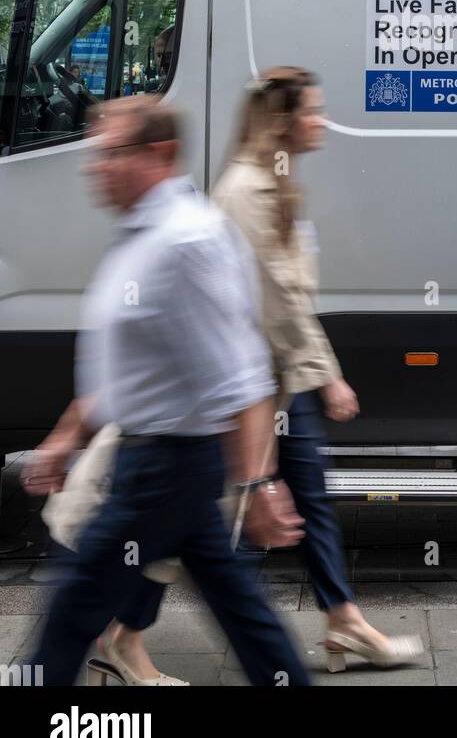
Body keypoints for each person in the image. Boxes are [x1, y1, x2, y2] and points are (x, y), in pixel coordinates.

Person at [112, 69, 424, 674]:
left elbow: (291, 297)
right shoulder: (247, 190)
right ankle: (121, 634)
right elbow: (280, 301)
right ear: (283, 121)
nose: (321, 122)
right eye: (313, 111)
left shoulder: (277, 185)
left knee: (307, 497)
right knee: (195, 519)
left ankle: (343, 622)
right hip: (251, 389)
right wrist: (328, 375)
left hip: (279, 380)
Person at [21, 97, 312, 688]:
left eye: (111, 153)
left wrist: (259, 482)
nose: (94, 166)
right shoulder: (140, 233)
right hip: (159, 462)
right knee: (240, 610)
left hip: (165, 466)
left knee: (73, 609)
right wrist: (65, 436)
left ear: (159, 153)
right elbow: (131, 365)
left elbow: (242, 373)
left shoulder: (187, 242)